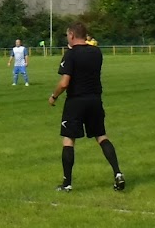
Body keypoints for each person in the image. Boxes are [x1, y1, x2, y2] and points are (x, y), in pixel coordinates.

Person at [48, 22, 125, 193]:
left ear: (73, 35)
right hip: (95, 100)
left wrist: (54, 96)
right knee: (101, 136)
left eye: (68, 35)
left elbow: (64, 83)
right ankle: (117, 173)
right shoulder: (96, 52)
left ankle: (67, 183)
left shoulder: (71, 55)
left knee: (68, 140)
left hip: (76, 101)